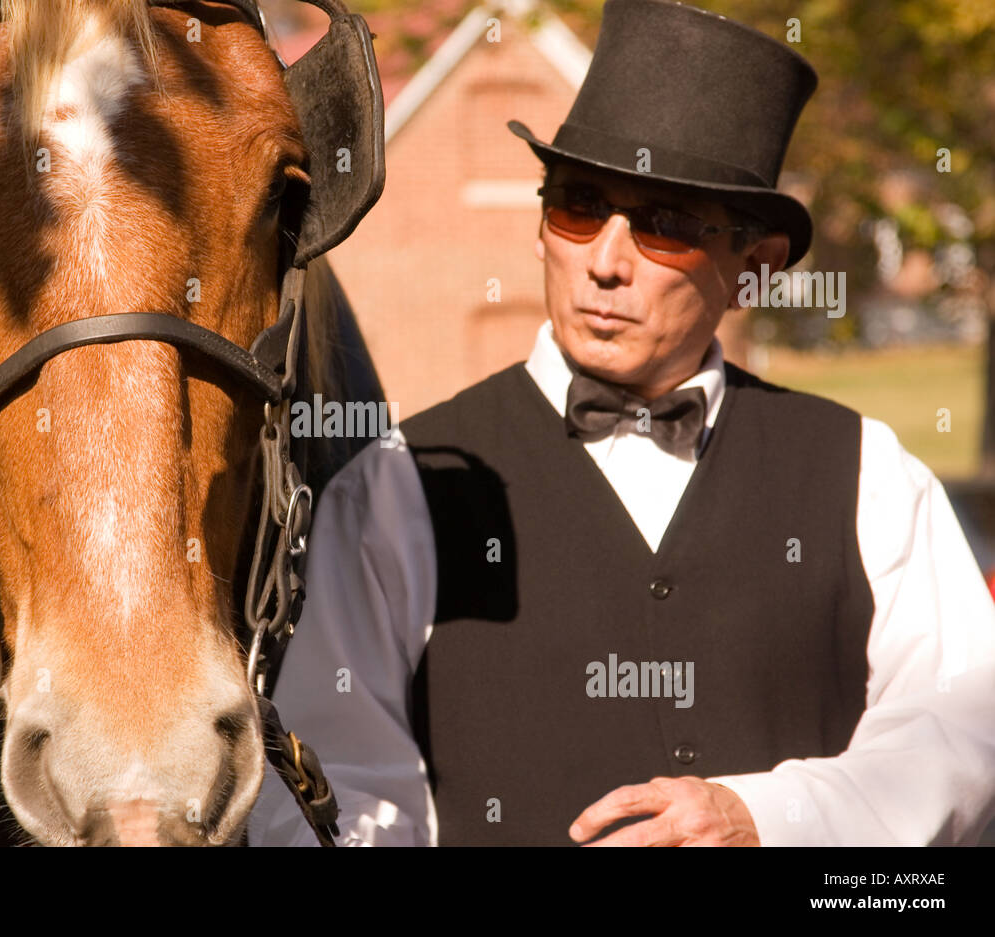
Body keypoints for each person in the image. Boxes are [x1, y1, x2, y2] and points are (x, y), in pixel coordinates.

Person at [247, 0, 995, 846]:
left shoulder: (871, 476)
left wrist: (771, 818)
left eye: (663, 224)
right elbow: (333, 800)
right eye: (577, 205)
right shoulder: (394, 489)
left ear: (752, 269)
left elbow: (968, 733)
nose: (603, 261)